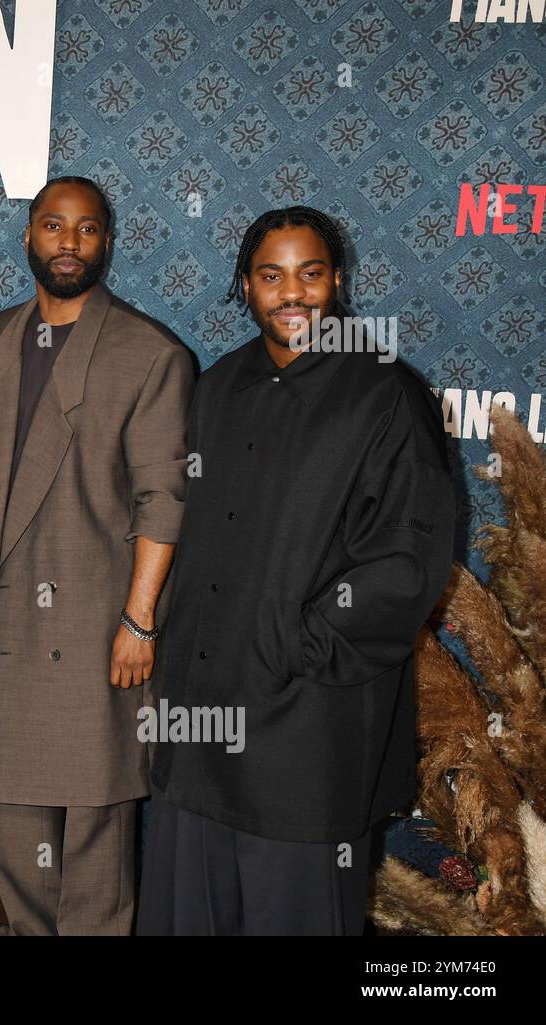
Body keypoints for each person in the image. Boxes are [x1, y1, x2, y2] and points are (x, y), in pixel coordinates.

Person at [138, 206, 457, 936]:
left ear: (337, 281)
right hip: (200, 718)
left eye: (310, 274)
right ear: (243, 287)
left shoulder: (385, 395)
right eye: (271, 275)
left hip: (306, 724)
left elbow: (405, 561)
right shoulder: (217, 386)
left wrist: (295, 645)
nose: (293, 293)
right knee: (190, 911)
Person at [0, 176, 193, 935]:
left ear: (107, 244)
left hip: (95, 631)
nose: (69, 242)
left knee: (91, 863)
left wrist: (140, 618)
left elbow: (164, 498)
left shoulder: (149, 353)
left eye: (86, 229)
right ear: (28, 237)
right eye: (53, 226)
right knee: (16, 848)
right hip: (4, 629)